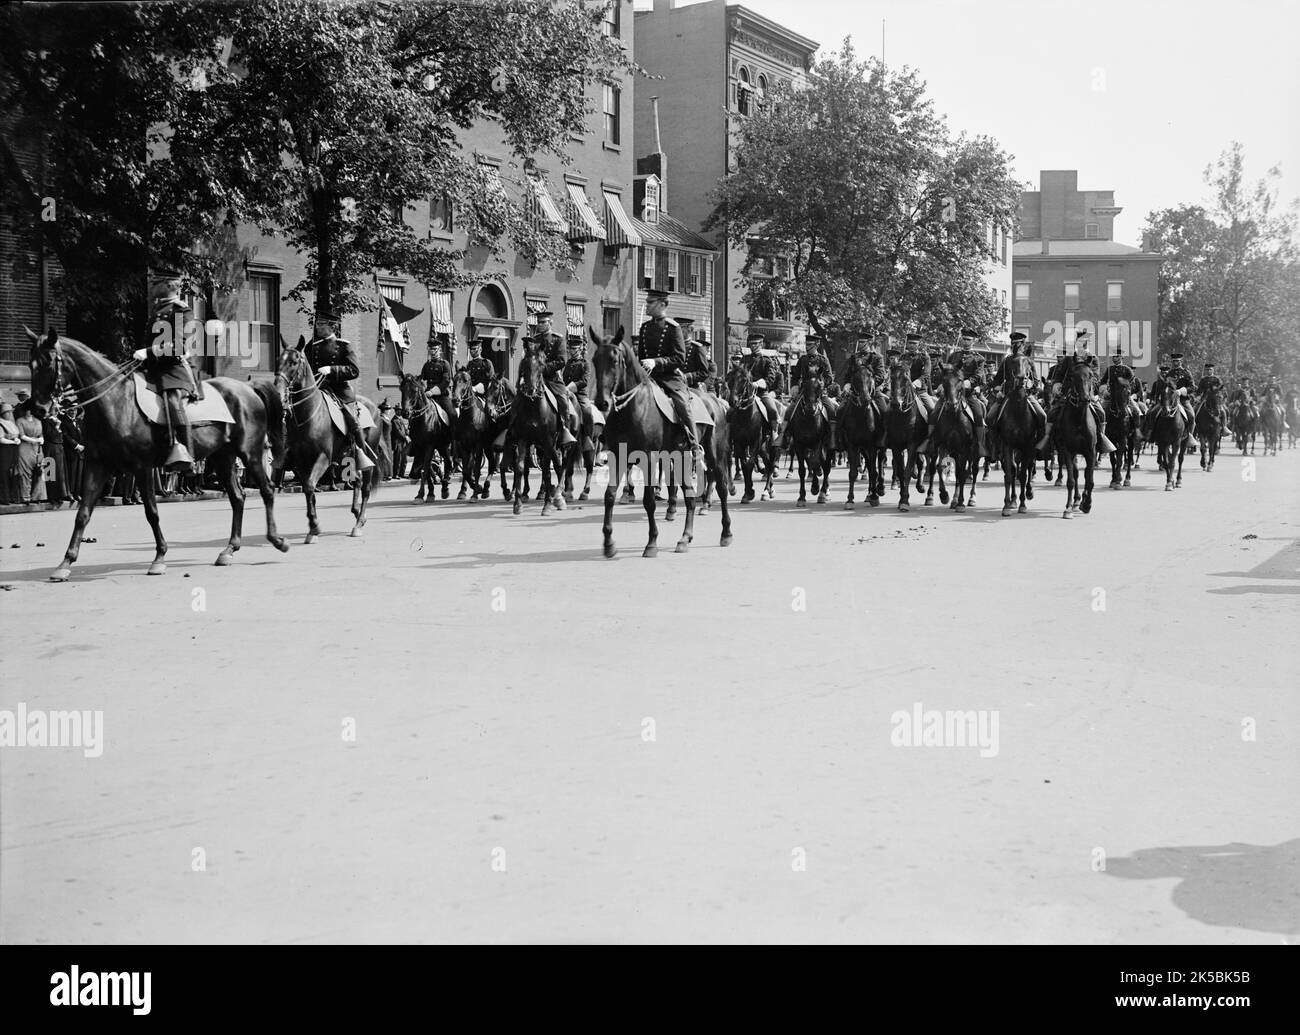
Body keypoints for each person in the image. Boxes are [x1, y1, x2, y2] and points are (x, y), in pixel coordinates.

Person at [131, 280, 202, 472]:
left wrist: (148, 352)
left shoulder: (181, 311)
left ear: (170, 285)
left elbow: (179, 346)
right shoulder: (157, 309)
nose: (152, 286)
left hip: (173, 370)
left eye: (156, 283)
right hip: (151, 370)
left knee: (172, 402)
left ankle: (188, 456)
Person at [304, 312, 376, 469]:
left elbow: (354, 370)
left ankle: (360, 453)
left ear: (332, 327)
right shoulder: (312, 347)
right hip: (318, 388)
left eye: (321, 325)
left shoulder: (343, 346)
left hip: (340, 391)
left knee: (352, 421)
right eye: (317, 324)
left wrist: (332, 369)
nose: (317, 327)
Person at [638, 288, 701, 467]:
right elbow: (640, 357)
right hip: (648, 378)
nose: (647, 305)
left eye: (650, 302)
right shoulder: (644, 328)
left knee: (682, 405)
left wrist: (656, 362)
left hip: (669, 379)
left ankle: (694, 446)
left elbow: (679, 358)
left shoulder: (673, 328)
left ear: (663, 304)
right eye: (647, 302)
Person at [1037, 329, 1116, 453]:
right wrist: (1057, 384)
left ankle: (1101, 438)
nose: (1079, 346)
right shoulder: (1069, 359)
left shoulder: (1093, 359)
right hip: (1069, 394)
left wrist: (1089, 387)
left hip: (1087, 394)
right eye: (1077, 343)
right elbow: (1060, 374)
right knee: (1052, 413)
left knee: (1101, 413)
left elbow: (1095, 377)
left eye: (1082, 343)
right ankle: (1048, 439)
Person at [781, 334, 836, 449]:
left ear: (816, 345)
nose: (807, 347)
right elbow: (795, 376)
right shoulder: (802, 359)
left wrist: (822, 383)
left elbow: (829, 377)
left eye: (810, 345)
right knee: (789, 411)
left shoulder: (823, 359)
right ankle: (784, 436)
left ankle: (832, 437)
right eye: (806, 345)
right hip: (804, 394)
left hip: (819, 393)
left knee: (831, 410)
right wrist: (795, 386)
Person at [985, 331, 1045, 431]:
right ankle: (993, 440)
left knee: (1043, 416)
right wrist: (997, 391)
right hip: (1007, 395)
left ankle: (1040, 438)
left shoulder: (1028, 361)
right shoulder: (1006, 360)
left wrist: (1030, 390)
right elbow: (997, 381)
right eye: (1012, 344)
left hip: (1026, 395)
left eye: (1017, 343)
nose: (1014, 346)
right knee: (989, 417)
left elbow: (1036, 381)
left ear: (1023, 345)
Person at [739, 332, 782, 444]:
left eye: (755, 344)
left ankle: (774, 435)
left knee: (772, 410)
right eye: (751, 344)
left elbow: (770, 378)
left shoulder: (766, 360)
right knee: (730, 410)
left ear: (761, 344)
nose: (753, 346)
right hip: (744, 393)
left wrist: (758, 383)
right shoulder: (744, 359)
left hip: (761, 393)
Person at [15, 400, 47, 504]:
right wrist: (36, 440)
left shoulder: (38, 421)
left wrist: (41, 439)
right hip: (25, 448)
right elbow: (22, 435)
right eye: (28, 410)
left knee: (39, 472)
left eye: (30, 410)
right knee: (25, 473)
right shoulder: (19, 421)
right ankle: (25, 497)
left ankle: (37, 496)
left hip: (37, 448)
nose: (29, 412)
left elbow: (41, 433)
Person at [418, 342, 455, 424]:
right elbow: (421, 379)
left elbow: (446, 382)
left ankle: (453, 436)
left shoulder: (445, 364)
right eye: (431, 349)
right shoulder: (426, 365)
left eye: (435, 349)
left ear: (440, 350)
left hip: (441, 396)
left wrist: (432, 392)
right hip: (427, 395)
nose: (432, 351)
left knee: (452, 414)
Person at [0, 402, 20, 505]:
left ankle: (13, 497)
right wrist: (13, 441)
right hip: (4, 450)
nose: (9, 414)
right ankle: (4, 498)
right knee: (4, 473)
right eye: (7, 412)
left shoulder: (11, 423)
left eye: (10, 412)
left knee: (13, 473)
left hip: (13, 449)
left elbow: (15, 434)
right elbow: (1, 439)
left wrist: (16, 439)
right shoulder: (0, 423)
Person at [377, 399, 394, 480]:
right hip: (383, 440)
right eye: (388, 409)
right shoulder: (381, 419)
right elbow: (379, 431)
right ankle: (384, 475)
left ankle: (389, 474)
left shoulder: (387, 418)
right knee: (383, 458)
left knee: (389, 457)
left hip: (389, 440)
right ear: (384, 410)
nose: (389, 411)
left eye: (389, 409)